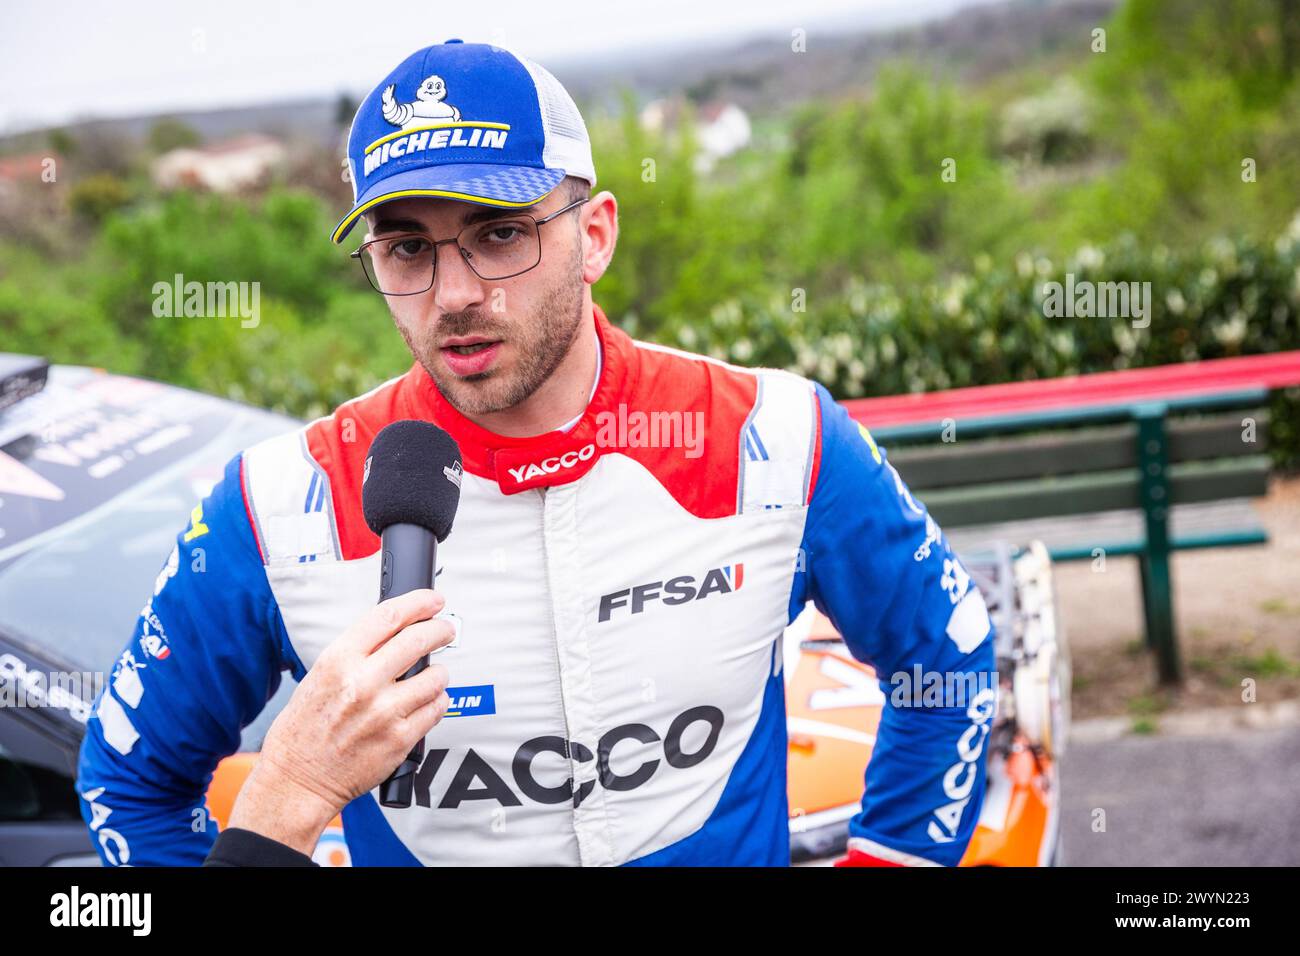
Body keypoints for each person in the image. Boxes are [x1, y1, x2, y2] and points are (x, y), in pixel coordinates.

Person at [76, 39, 998, 868]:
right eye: (407, 250)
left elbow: (946, 663)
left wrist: (893, 857)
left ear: (593, 236)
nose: (455, 294)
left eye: (500, 234)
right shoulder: (279, 505)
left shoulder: (778, 437)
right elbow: (129, 783)